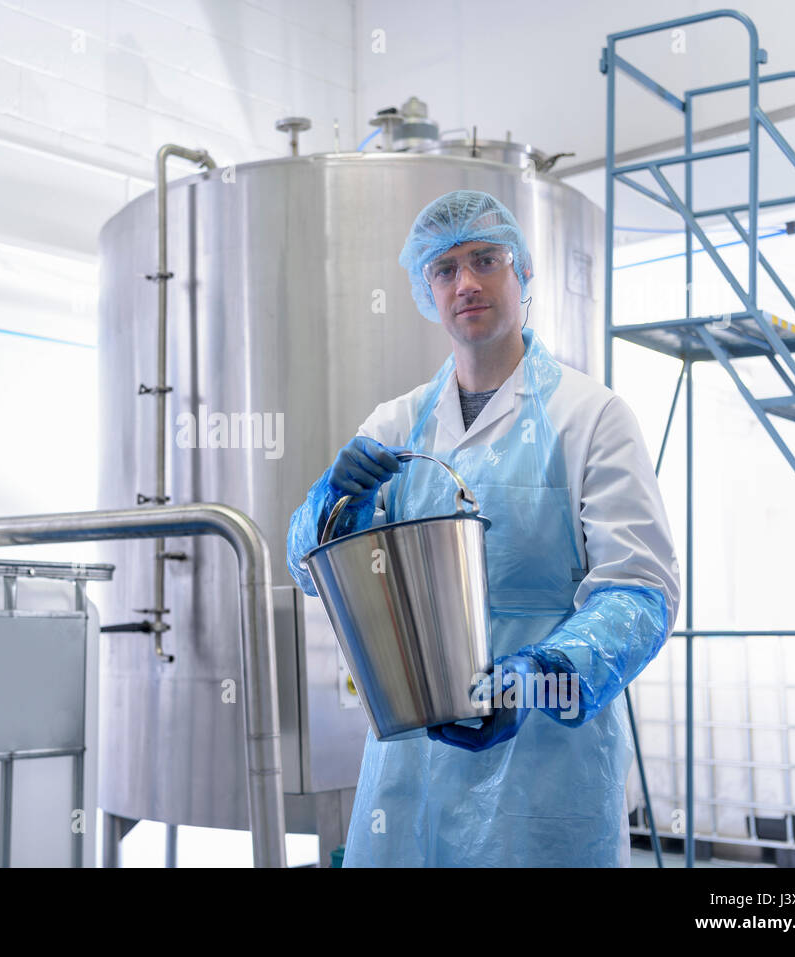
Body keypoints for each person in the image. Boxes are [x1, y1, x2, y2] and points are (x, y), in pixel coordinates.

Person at [286, 190, 681, 867]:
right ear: (426, 290)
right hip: (412, 763)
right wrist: (334, 502)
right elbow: (310, 569)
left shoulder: (592, 417)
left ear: (522, 273)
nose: (466, 283)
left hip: (547, 762)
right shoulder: (397, 423)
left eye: (485, 260)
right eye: (444, 269)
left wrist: (541, 673)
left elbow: (641, 592)